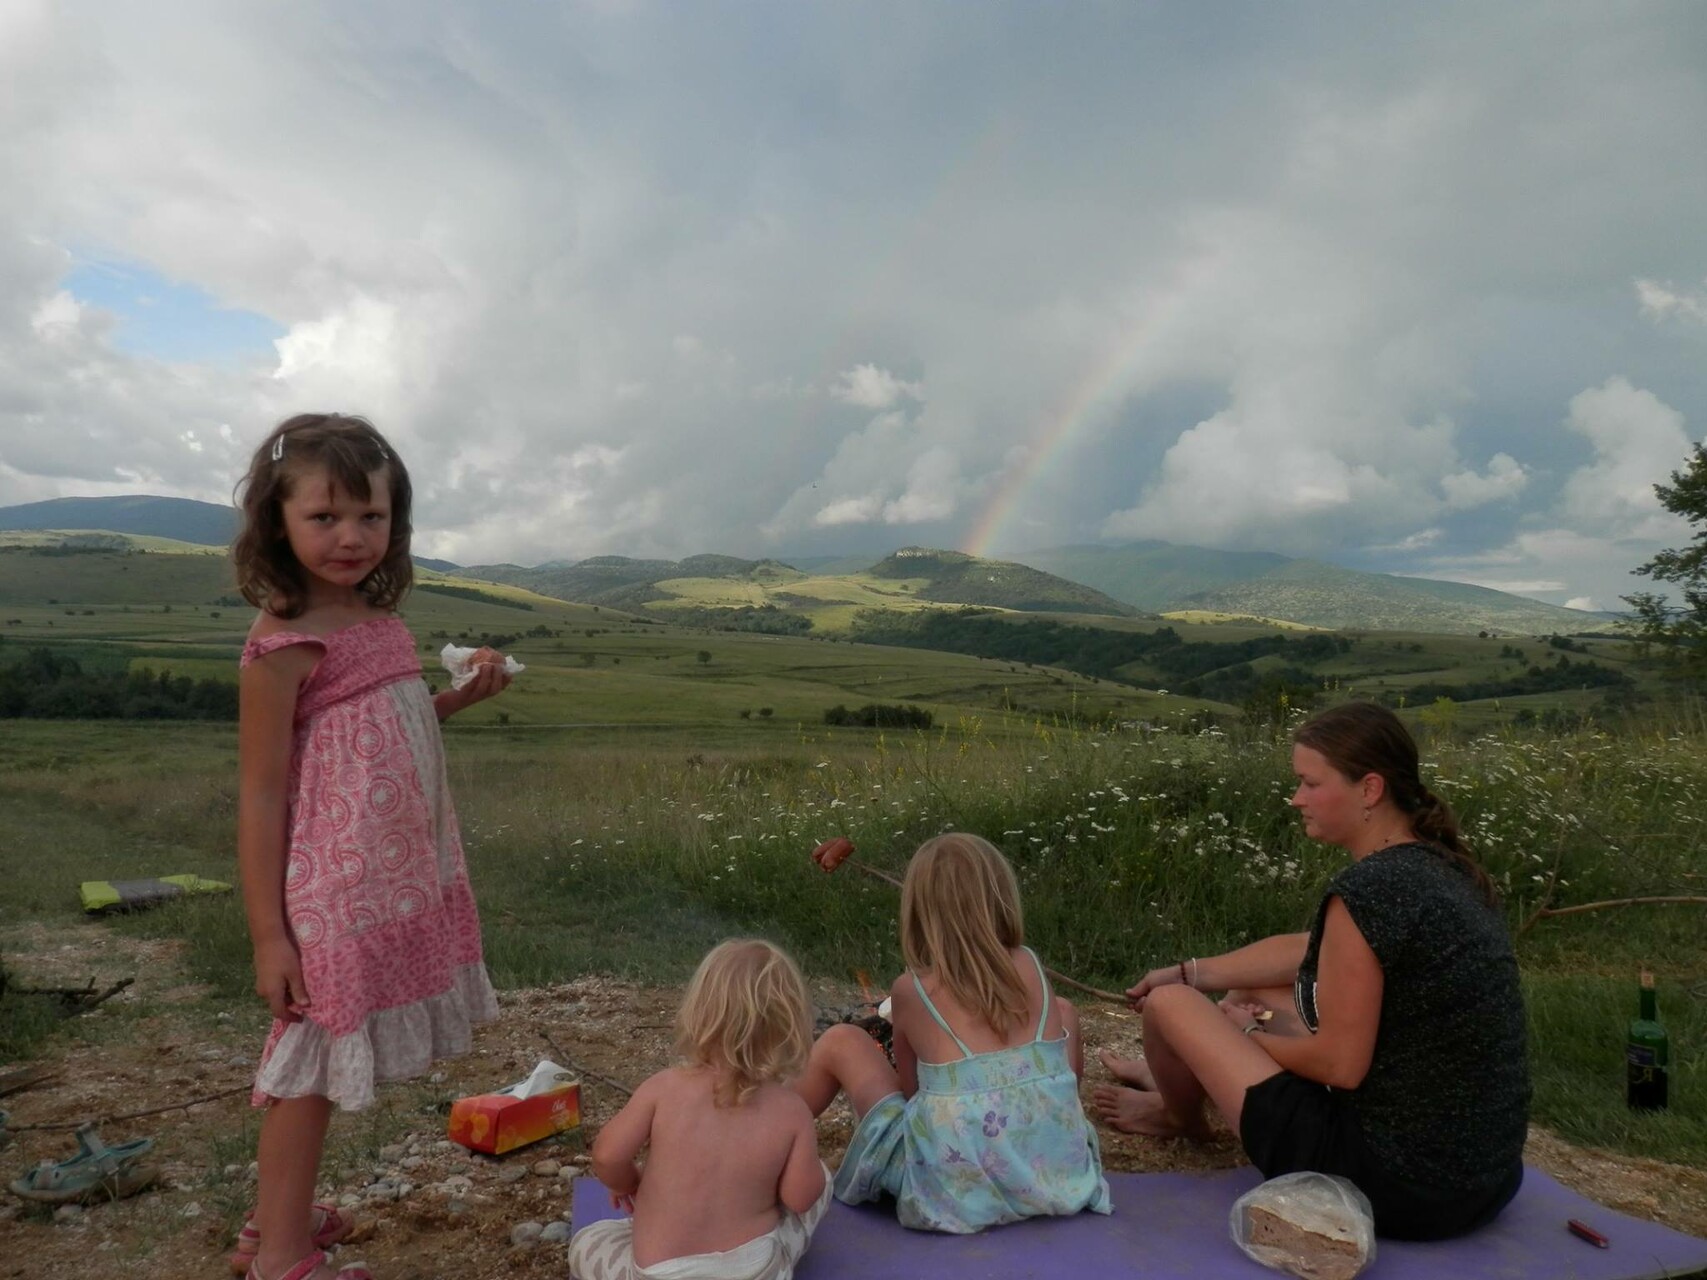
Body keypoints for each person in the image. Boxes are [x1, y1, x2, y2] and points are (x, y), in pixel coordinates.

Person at [232, 413, 510, 1280]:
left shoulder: (376, 616)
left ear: (397, 522)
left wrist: (457, 701)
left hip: (394, 873)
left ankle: (272, 1221)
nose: (350, 537)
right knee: (309, 1062)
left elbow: (380, 729)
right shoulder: (280, 638)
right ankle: (281, 1255)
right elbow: (263, 789)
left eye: (371, 517)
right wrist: (270, 935)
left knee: (312, 1066)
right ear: (276, 521)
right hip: (333, 882)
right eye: (324, 517)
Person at [1094, 701, 1529, 1240]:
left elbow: (1340, 1066)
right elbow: (1311, 951)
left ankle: (1176, 1115)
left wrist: (1242, 1031)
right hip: (1483, 1181)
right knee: (1245, 987)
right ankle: (1184, 1072)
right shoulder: (1444, 868)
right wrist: (1189, 970)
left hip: (1389, 1186)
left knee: (1171, 1007)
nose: (1296, 798)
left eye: (1309, 783)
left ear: (1369, 790)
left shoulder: (1366, 892)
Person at [797, 832, 1112, 1234]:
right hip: (1054, 1176)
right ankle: (1037, 1133)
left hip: (952, 1195)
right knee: (1064, 1011)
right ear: (1001, 899)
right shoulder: (1031, 964)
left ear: (918, 912)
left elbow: (914, 1096)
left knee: (843, 1041)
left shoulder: (910, 990)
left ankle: (763, 1127)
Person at [569, 939, 831, 1280]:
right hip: (755, 1272)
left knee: (588, 1240)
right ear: (789, 1029)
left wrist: (631, 1182)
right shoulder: (791, 1111)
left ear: (699, 1013)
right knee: (821, 1178)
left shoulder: (663, 1088)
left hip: (661, 1274)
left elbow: (606, 1155)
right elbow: (799, 1199)